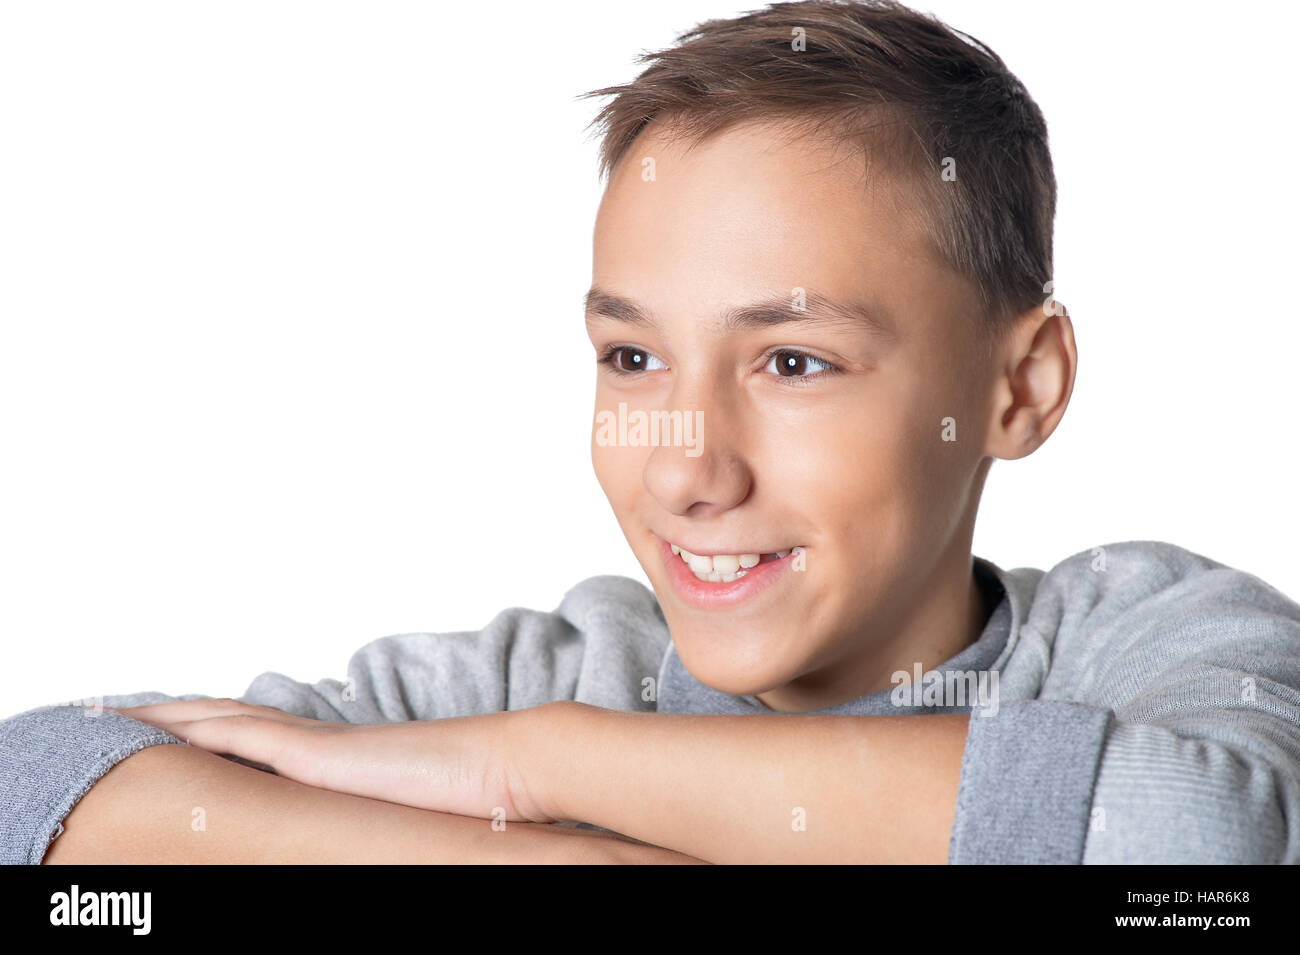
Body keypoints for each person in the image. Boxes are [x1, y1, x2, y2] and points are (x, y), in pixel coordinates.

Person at [5, 0, 1299, 865]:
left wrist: (541, 767)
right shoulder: (553, 668)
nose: (686, 466)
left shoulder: (1145, 637)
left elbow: (1199, 837)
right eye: (633, 356)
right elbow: (40, 780)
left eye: (792, 361)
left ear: (1019, 389)